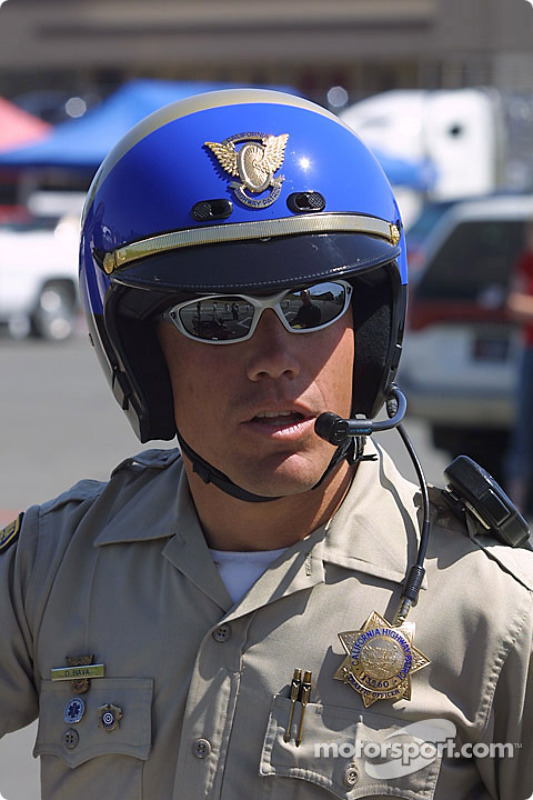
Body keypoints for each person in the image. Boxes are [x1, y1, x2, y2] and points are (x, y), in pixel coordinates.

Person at [1, 88, 533, 800]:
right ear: (143, 358)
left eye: (313, 305)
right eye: (217, 317)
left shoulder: (487, 612)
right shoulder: (48, 568)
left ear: (368, 335)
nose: (275, 357)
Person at [505, 218, 533, 512]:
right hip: (529, 352)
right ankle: (516, 505)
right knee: (524, 433)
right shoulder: (525, 262)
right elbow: (514, 303)